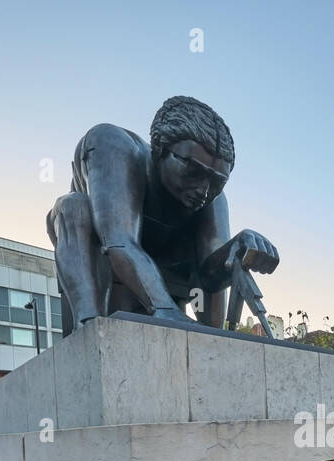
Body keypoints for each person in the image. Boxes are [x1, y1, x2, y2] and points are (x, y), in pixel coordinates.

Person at [46, 95, 278, 332]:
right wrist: (165, 310)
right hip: (99, 252)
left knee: (221, 249)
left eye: (217, 181)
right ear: (160, 150)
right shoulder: (113, 145)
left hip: (170, 264)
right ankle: (88, 326)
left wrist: (234, 250)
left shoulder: (212, 197)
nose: (204, 190)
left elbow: (210, 275)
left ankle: (213, 337)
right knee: (74, 208)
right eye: (192, 170)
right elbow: (118, 241)